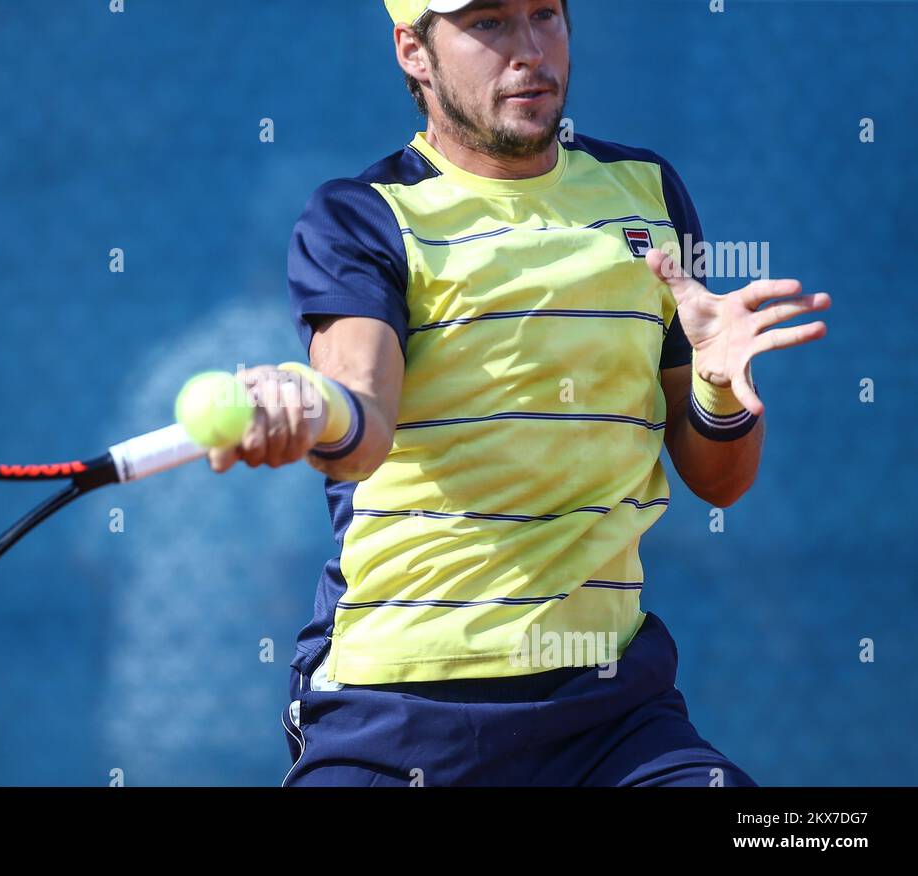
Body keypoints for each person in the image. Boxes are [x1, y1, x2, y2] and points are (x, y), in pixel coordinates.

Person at [210, 0, 830, 786]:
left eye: (545, 14)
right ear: (414, 50)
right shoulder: (366, 217)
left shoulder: (646, 195)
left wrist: (718, 389)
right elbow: (361, 418)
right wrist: (308, 407)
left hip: (610, 710)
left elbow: (719, 479)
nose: (530, 50)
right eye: (490, 24)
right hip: (399, 710)